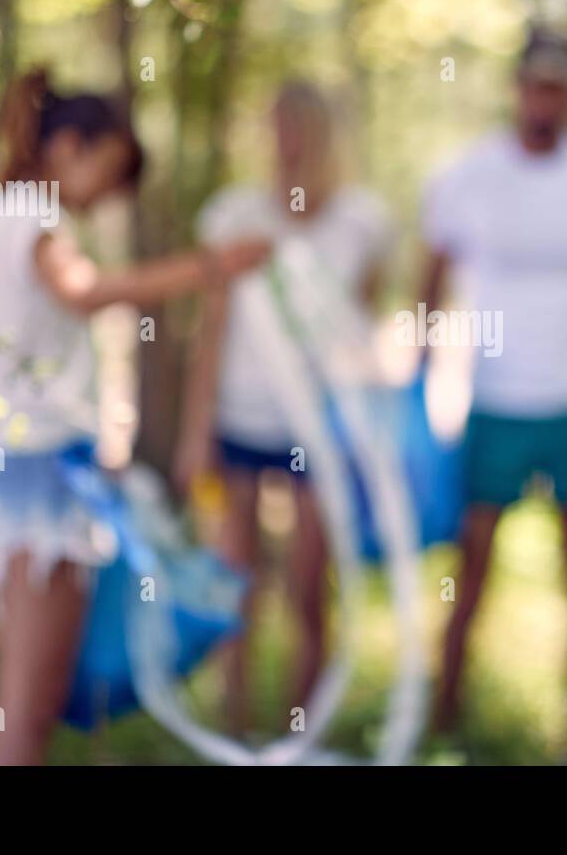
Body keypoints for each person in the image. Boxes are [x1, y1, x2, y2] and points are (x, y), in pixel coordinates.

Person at [0, 70, 270, 765]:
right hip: (40, 479)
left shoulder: (2, 214)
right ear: (69, 146)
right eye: (110, 170)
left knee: (28, 694)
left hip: (16, 469)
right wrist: (210, 267)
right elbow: (87, 291)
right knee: (29, 699)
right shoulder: (35, 216)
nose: (109, 194)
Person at [419, 28, 567, 739]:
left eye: (559, 85)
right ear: (518, 88)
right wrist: (418, 378)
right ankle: (444, 723)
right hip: (495, 400)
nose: (546, 97)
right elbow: (433, 270)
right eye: (535, 83)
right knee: (470, 570)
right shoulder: (467, 175)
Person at [174, 80, 392, 731]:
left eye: (299, 127)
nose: (287, 141)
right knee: (234, 584)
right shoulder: (235, 215)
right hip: (240, 419)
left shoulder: (362, 222)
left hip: (318, 427)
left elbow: (364, 324)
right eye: (277, 127)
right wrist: (195, 431)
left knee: (307, 583)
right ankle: (234, 724)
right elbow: (209, 329)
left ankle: (302, 730)